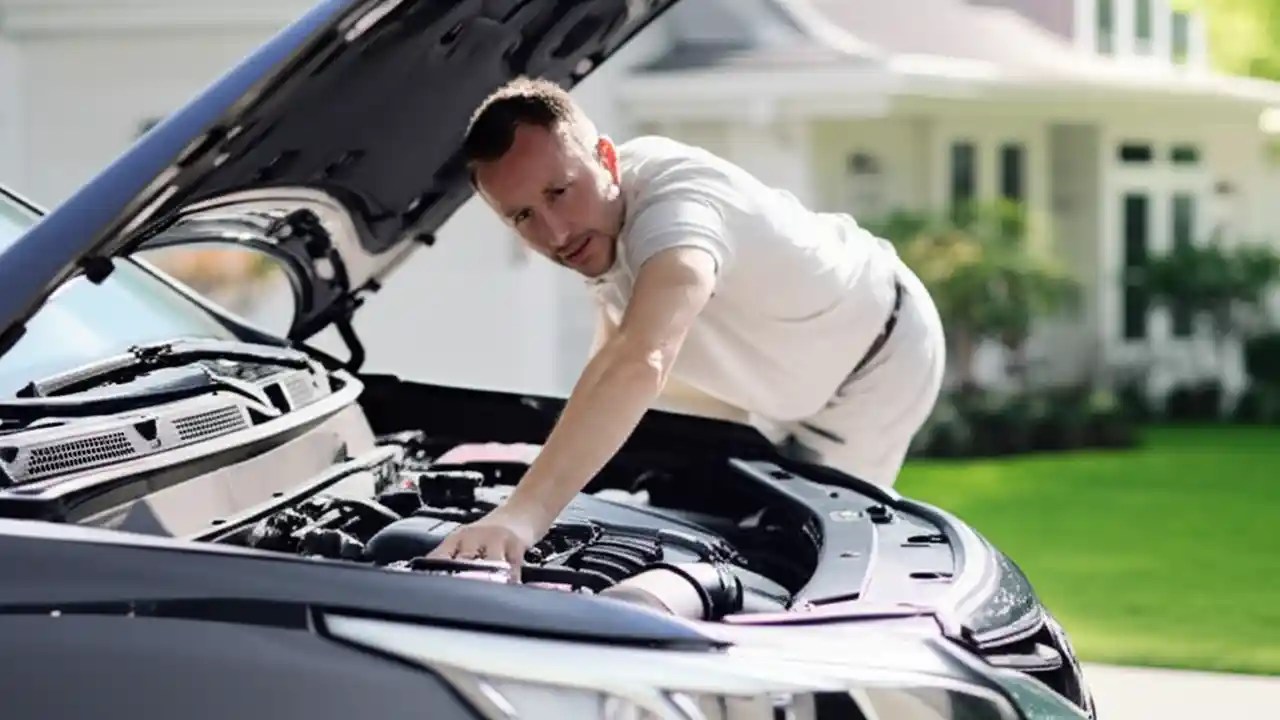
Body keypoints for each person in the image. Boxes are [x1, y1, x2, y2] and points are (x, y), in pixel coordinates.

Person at [427, 77, 946, 575]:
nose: (554, 231)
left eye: (559, 191)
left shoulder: (678, 210)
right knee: (677, 498)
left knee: (805, 558)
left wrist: (524, 515)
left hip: (875, 364)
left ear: (607, 158)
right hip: (766, 375)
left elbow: (642, 356)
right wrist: (544, 471)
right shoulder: (596, 221)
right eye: (522, 217)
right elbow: (612, 348)